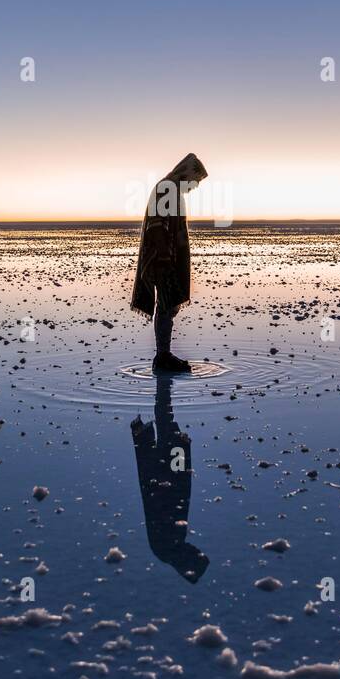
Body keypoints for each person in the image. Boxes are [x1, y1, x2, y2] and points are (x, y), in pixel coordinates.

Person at [131, 153, 208, 372]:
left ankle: (163, 353)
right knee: (165, 305)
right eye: (195, 181)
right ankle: (162, 356)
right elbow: (156, 226)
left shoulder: (171, 189)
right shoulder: (167, 188)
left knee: (167, 305)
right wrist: (164, 260)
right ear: (187, 173)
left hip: (165, 259)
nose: (194, 186)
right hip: (161, 260)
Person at [130, 374, 209, 582]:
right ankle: (162, 387)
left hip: (164, 472)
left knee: (166, 422)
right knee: (167, 422)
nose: (194, 548)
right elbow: (176, 498)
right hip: (163, 471)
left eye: (195, 553)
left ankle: (162, 386)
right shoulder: (168, 548)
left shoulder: (167, 546)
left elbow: (172, 496)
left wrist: (181, 456)